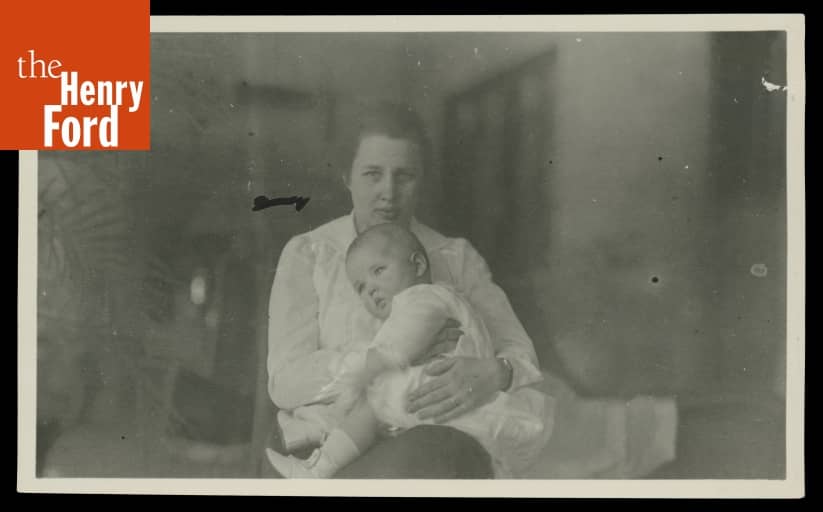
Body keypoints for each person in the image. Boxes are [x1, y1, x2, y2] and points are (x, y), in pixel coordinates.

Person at [266, 102, 548, 478]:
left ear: (422, 179)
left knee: (440, 455)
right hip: (331, 442)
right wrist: (380, 358)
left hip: (433, 438)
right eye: (372, 174)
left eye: (405, 176)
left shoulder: (454, 257)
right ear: (347, 178)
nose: (389, 192)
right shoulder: (311, 253)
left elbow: (521, 354)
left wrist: (494, 373)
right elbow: (284, 383)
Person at [266, 223, 550, 478]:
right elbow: (284, 380)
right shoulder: (311, 249)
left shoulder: (422, 299)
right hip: (443, 405)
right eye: (361, 287)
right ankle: (319, 443)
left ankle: (319, 467)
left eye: (379, 272)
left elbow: (397, 345)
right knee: (374, 405)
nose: (372, 290)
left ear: (417, 265)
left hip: (439, 396)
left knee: (374, 399)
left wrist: (372, 366)